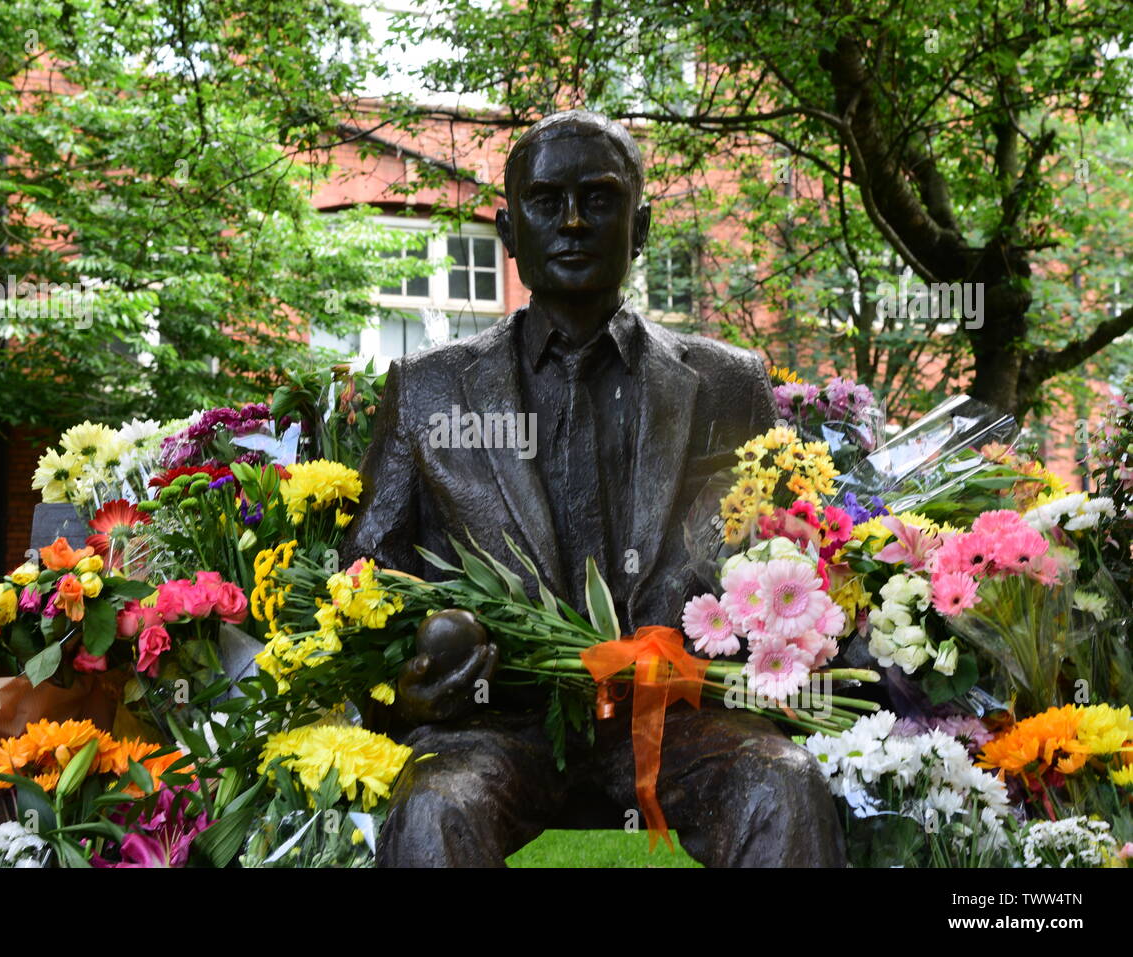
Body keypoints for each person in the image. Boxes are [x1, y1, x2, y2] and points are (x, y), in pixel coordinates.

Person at [341, 111, 844, 867]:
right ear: (509, 232)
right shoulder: (428, 389)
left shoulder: (728, 384)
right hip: (496, 719)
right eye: (547, 201)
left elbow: (776, 565)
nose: (572, 221)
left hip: (675, 715)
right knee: (435, 809)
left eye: (599, 199)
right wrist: (401, 689)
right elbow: (364, 583)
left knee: (785, 783)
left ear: (639, 228)